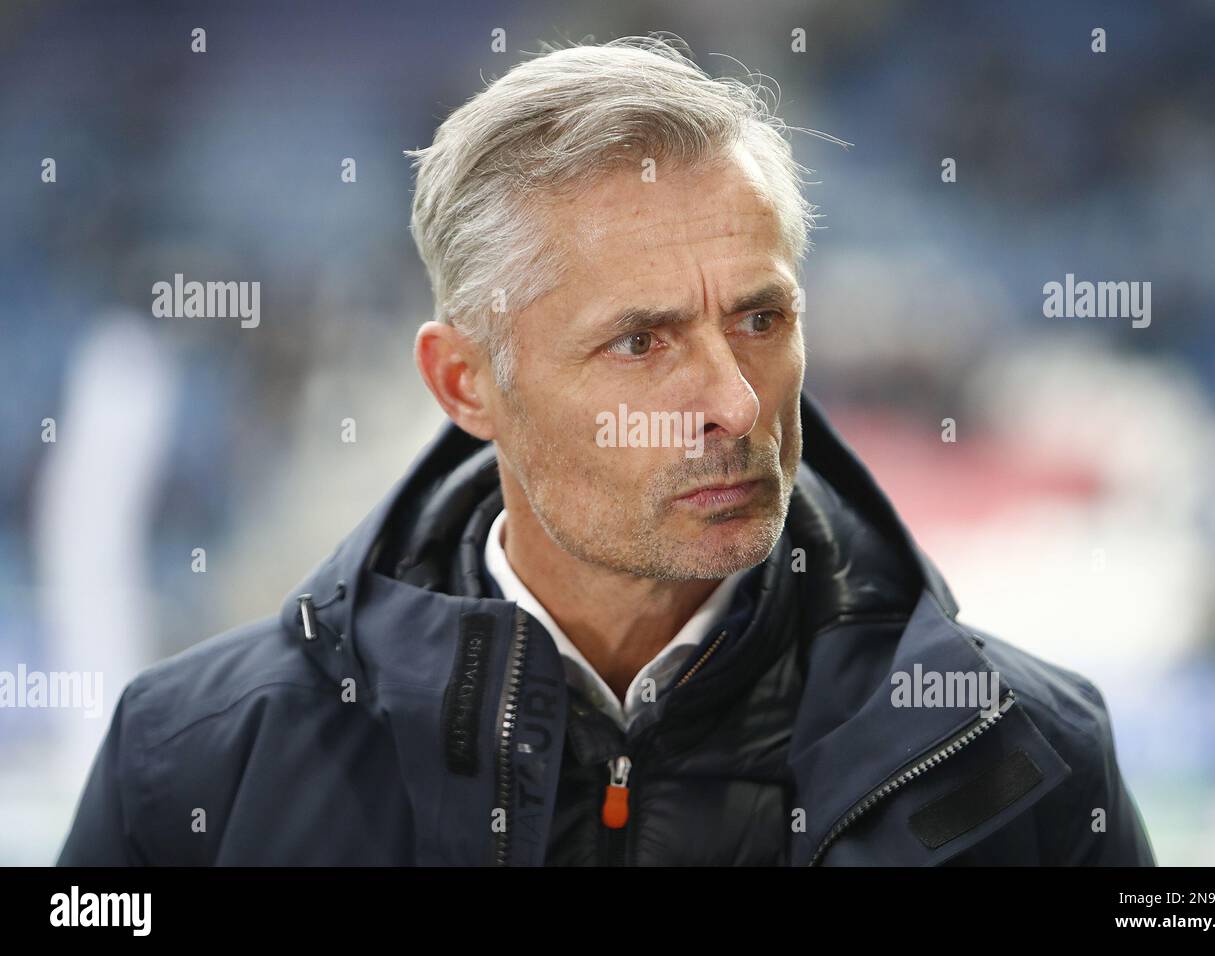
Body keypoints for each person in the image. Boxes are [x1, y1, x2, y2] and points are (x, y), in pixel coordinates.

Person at [56, 35, 1155, 866]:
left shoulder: (1025, 756)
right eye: (640, 340)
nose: (734, 400)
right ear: (465, 381)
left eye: (761, 320)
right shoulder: (192, 761)